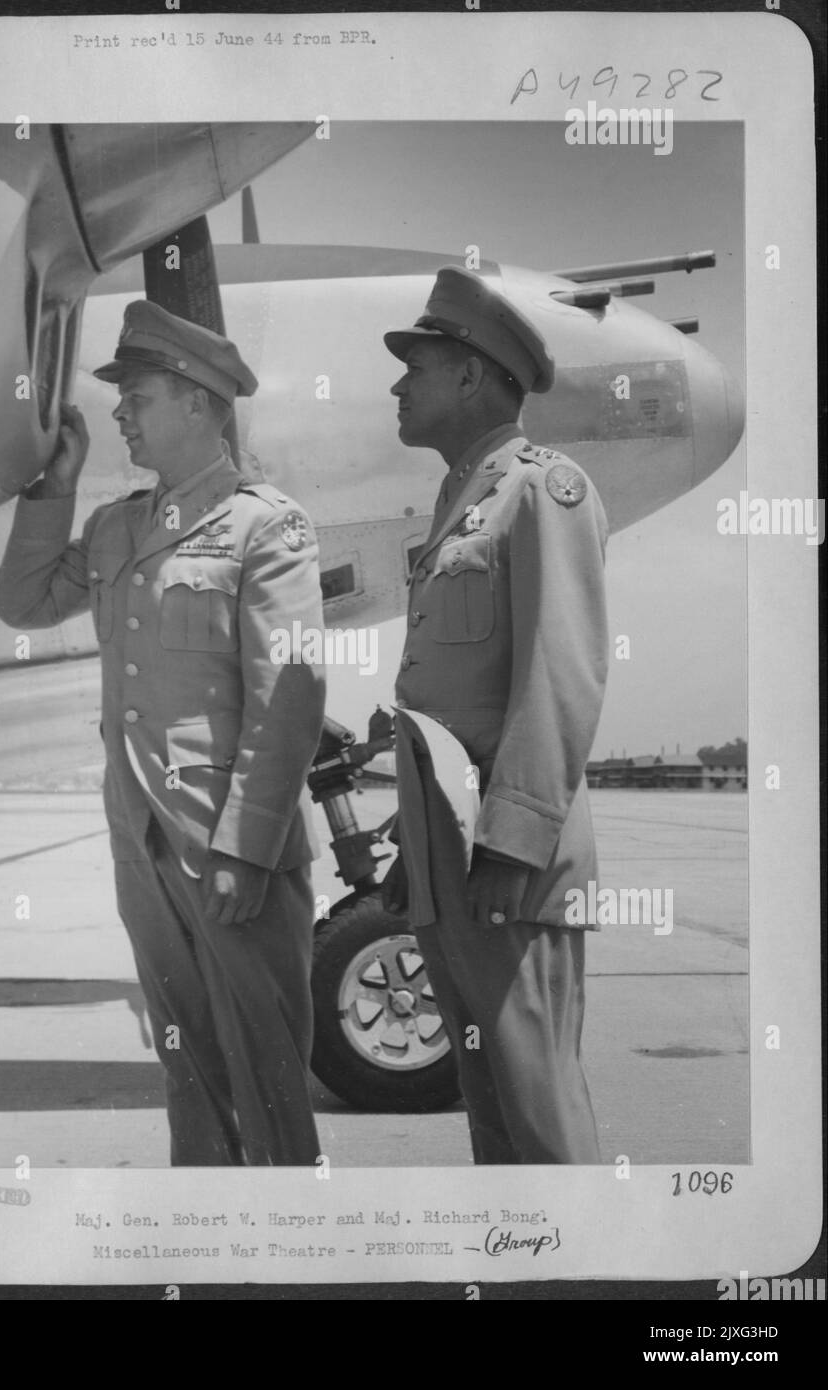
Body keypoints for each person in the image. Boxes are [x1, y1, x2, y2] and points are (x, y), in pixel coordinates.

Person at [0, 300, 326, 1166]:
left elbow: (287, 693)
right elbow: (23, 603)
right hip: (142, 845)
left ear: (193, 401)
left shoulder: (268, 526)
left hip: (228, 847)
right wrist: (56, 487)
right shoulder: (115, 527)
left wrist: (247, 849)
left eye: (134, 397)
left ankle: (293, 1255)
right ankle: (208, 1253)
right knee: (190, 1070)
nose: (117, 416)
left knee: (268, 1072)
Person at [380, 266, 608, 1164]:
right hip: (454, 866)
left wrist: (510, 845)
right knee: (493, 1120)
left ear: (472, 376)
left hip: (511, 866)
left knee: (540, 1113)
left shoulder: (543, 491)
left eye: (418, 367)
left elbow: (563, 673)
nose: (400, 384)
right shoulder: (459, 500)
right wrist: (416, 850)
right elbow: (449, 705)